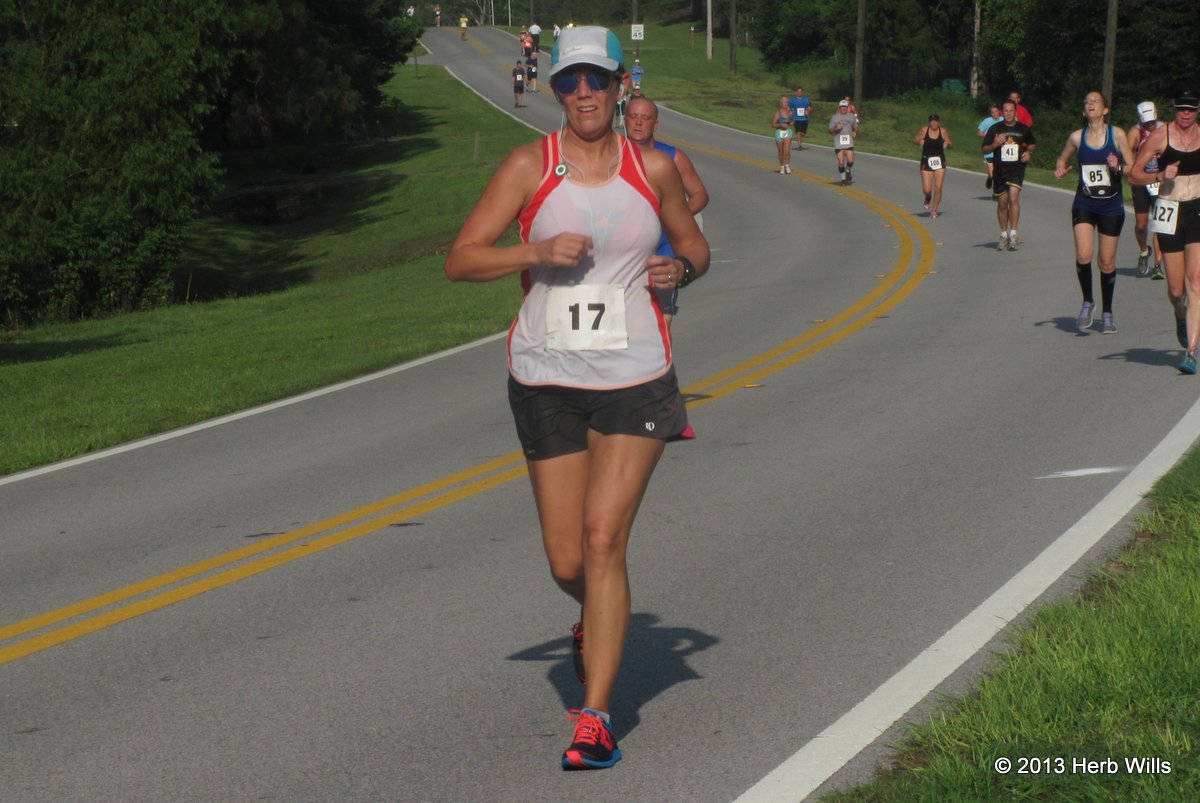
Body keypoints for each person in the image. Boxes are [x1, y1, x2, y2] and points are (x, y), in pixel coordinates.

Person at [444, 25, 710, 769]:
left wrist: (678, 274)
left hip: (635, 376)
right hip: (545, 375)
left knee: (603, 540)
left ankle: (595, 717)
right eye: (570, 82)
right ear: (554, 89)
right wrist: (532, 251)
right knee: (567, 560)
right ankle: (596, 614)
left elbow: (695, 246)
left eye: (597, 79)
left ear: (621, 84)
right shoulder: (531, 168)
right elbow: (461, 260)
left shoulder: (652, 169)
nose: (584, 93)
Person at [1130, 89, 1200, 373]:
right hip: (1169, 210)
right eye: (1181, 109)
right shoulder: (1160, 137)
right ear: (1173, 110)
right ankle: (1179, 314)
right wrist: (1160, 175)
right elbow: (1134, 174)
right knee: (1175, 288)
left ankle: (1191, 351)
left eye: (1191, 109)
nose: (1185, 114)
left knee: (1195, 283)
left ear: (1197, 110)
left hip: (1197, 209)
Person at [1052, 91, 1134, 334]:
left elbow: (1132, 168)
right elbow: (1061, 158)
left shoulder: (1117, 134)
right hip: (1085, 203)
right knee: (1084, 254)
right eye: (1086, 101)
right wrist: (1061, 169)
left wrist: (1117, 166)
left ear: (1105, 109)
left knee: (1106, 262)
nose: (1090, 104)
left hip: (1111, 204)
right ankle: (1088, 301)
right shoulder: (1076, 137)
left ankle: (1107, 311)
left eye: (1095, 101)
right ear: (1083, 111)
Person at [625, 94, 711, 327]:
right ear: (624, 120)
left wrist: (673, 219)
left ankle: (661, 360)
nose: (639, 122)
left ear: (656, 124)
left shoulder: (673, 157)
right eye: (633, 116)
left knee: (661, 320)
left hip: (662, 249)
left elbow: (699, 194)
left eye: (645, 118)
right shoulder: (609, 155)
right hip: (621, 252)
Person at [981, 98, 1036, 251]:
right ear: (1001, 112)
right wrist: (995, 144)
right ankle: (1003, 235)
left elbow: (1032, 143)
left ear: (1015, 112)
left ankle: (1013, 234)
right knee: (1002, 203)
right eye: (1006, 111)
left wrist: (1028, 152)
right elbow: (984, 149)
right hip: (1000, 170)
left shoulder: (1023, 128)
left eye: (1011, 110)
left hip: (1017, 169)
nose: (1009, 113)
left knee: (1013, 198)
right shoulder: (995, 129)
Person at [1128, 101, 1166, 278]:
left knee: (1159, 225)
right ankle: (1144, 251)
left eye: (1152, 121)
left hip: (1159, 182)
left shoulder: (1165, 129)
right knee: (1141, 225)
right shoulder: (1135, 132)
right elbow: (1127, 157)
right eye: (1146, 122)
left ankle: (1158, 265)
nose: (1150, 125)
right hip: (1141, 182)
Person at [914, 113, 953, 218]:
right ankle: (927, 198)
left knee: (938, 188)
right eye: (932, 121)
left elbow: (950, 143)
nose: (934, 123)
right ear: (929, 122)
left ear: (939, 122)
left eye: (936, 121)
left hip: (940, 162)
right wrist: (919, 141)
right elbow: (915, 140)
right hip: (926, 161)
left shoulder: (943, 131)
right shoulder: (924, 130)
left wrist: (947, 144)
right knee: (927, 190)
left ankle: (934, 209)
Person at [828, 98, 858, 185]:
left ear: (847, 107)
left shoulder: (851, 116)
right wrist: (836, 128)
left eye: (845, 107)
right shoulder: (835, 117)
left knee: (850, 160)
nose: (843, 108)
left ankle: (848, 170)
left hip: (848, 141)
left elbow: (855, 126)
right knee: (841, 162)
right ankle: (843, 179)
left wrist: (854, 132)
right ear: (839, 108)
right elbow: (829, 130)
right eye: (842, 107)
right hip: (838, 141)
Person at [977, 103, 1003, 189]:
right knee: (991, 166)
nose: (995, 113)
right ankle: (991, 177)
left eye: (996, 111)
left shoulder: (1003, 120)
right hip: (989, 148)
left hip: (1001, 149)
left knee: (999, 168)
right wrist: (988, 136)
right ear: (991, 113)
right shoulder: (987, 121)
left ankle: (992, 177)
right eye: (993, 112)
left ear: (999, 112)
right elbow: (979, 132)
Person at [772, 96, 794, 174]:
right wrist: (780, 124)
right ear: (781, 104)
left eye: (787, 102)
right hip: (779, 132)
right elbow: (773, 124)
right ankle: (782, 166)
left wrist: (791, 122)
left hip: (788, 132)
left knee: (787, 150)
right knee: (781, 151)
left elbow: (793, 122)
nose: (786, 104)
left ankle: (787, 165)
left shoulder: (790, 112)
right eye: (784, 102)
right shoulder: (778, 113)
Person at [787, 85, 811, 149]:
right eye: (798, 92)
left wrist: (807, 111)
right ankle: (799, 145)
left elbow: (809, 107)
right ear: (796, 93)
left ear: (802, 92)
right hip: (796, 118)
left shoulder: (806, 99)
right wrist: (790, 114)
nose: (800, 93)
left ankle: (800, 142)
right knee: (798, 131)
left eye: (801, 92)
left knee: (803, 133)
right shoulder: (792, 100)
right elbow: (789, 108)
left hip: (804, 118)